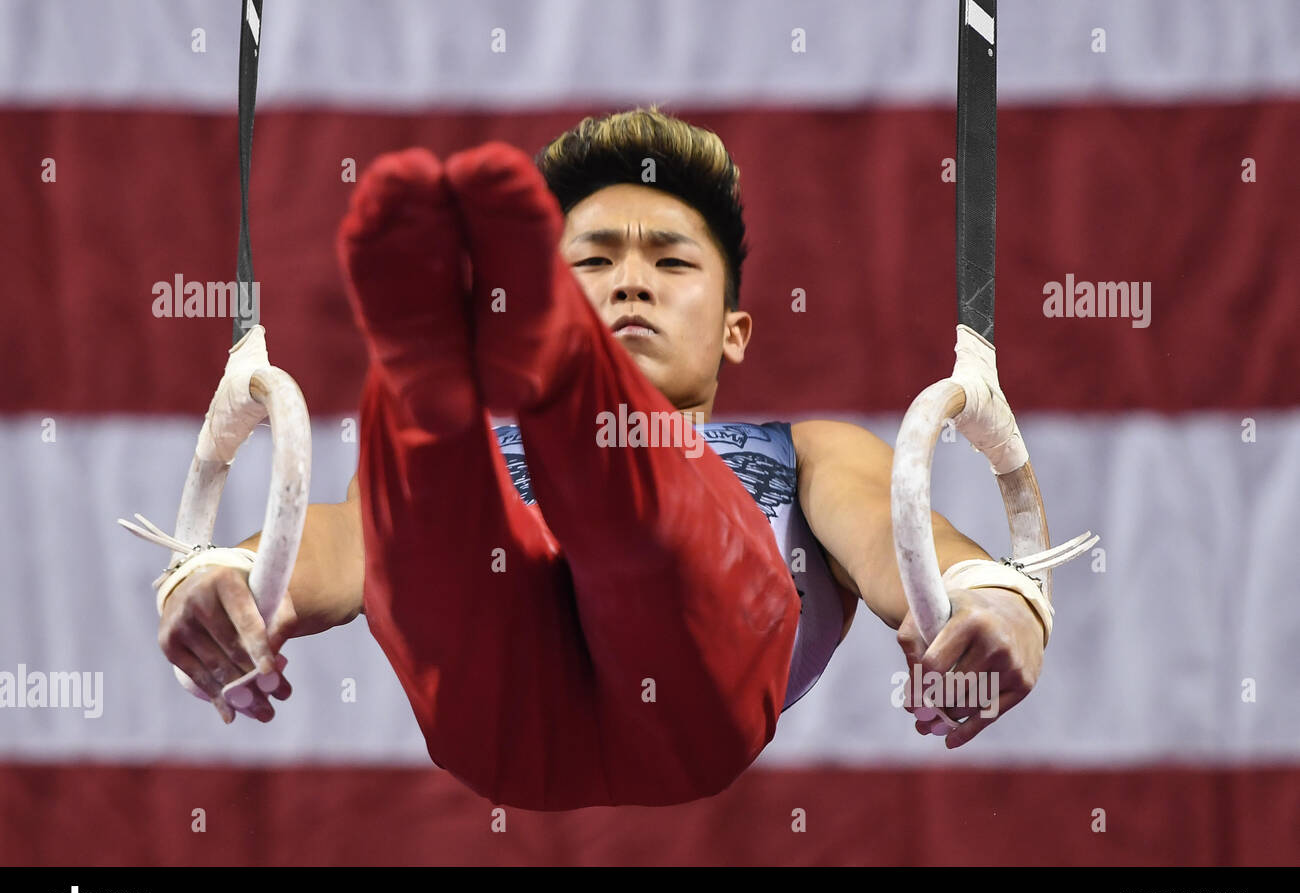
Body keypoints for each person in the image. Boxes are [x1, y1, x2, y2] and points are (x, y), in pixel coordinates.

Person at [155, 107, 1052, 810]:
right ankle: (420, 372)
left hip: (695, 695)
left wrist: (1001, 609)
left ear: (735, 332)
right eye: (593, 260)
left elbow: (916, 557)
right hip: (492, 687)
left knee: (649, 500)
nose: (631, 280)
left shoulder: (813, 452)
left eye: (670, 261)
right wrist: (230, 579)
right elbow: (343, 548)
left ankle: (547, 369)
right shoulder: (486, 454)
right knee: (426, 487)